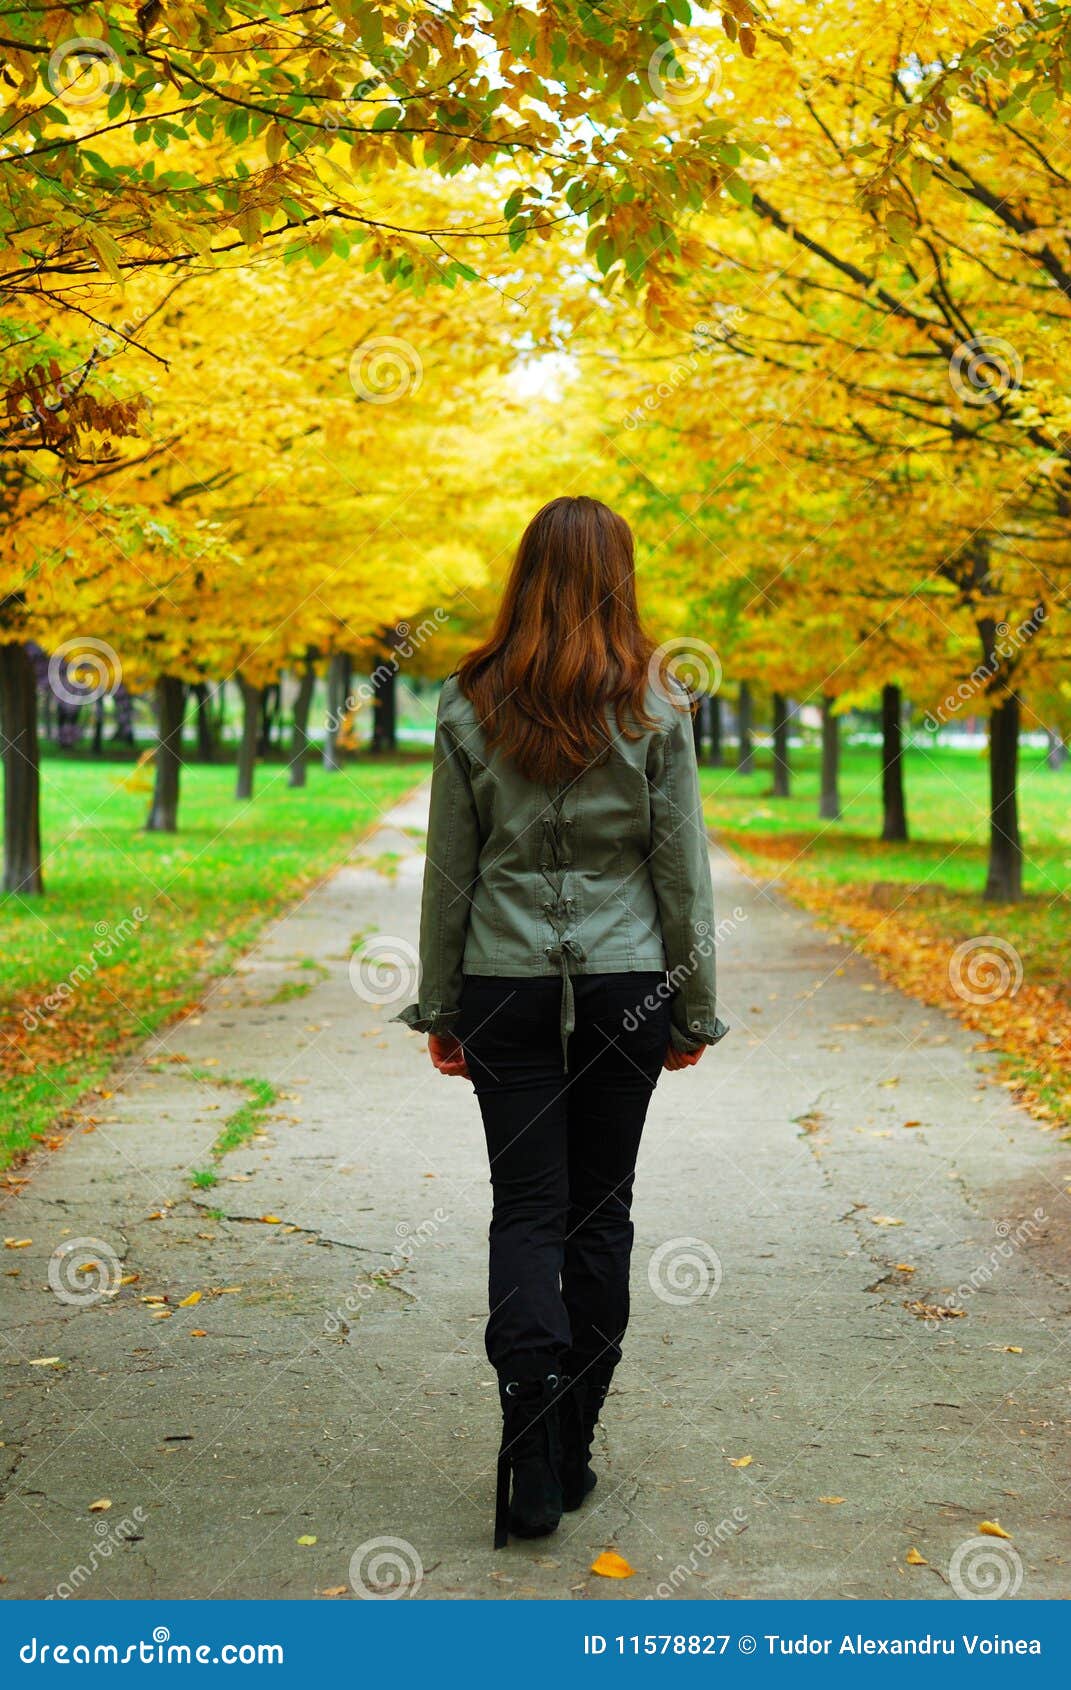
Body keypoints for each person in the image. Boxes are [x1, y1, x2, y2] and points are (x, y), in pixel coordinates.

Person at [396, 494, 727, 1548]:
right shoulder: (659, 704)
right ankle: (569, 1442)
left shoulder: (467, 701)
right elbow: (683, 875)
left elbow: (450, 871)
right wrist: (696, 1009)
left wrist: (442, 1005)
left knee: (527, 1209)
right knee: (601, 1215)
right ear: (618, 579)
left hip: (505, 982)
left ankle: (528, 1448)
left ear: (524, 576)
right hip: (632, 980)